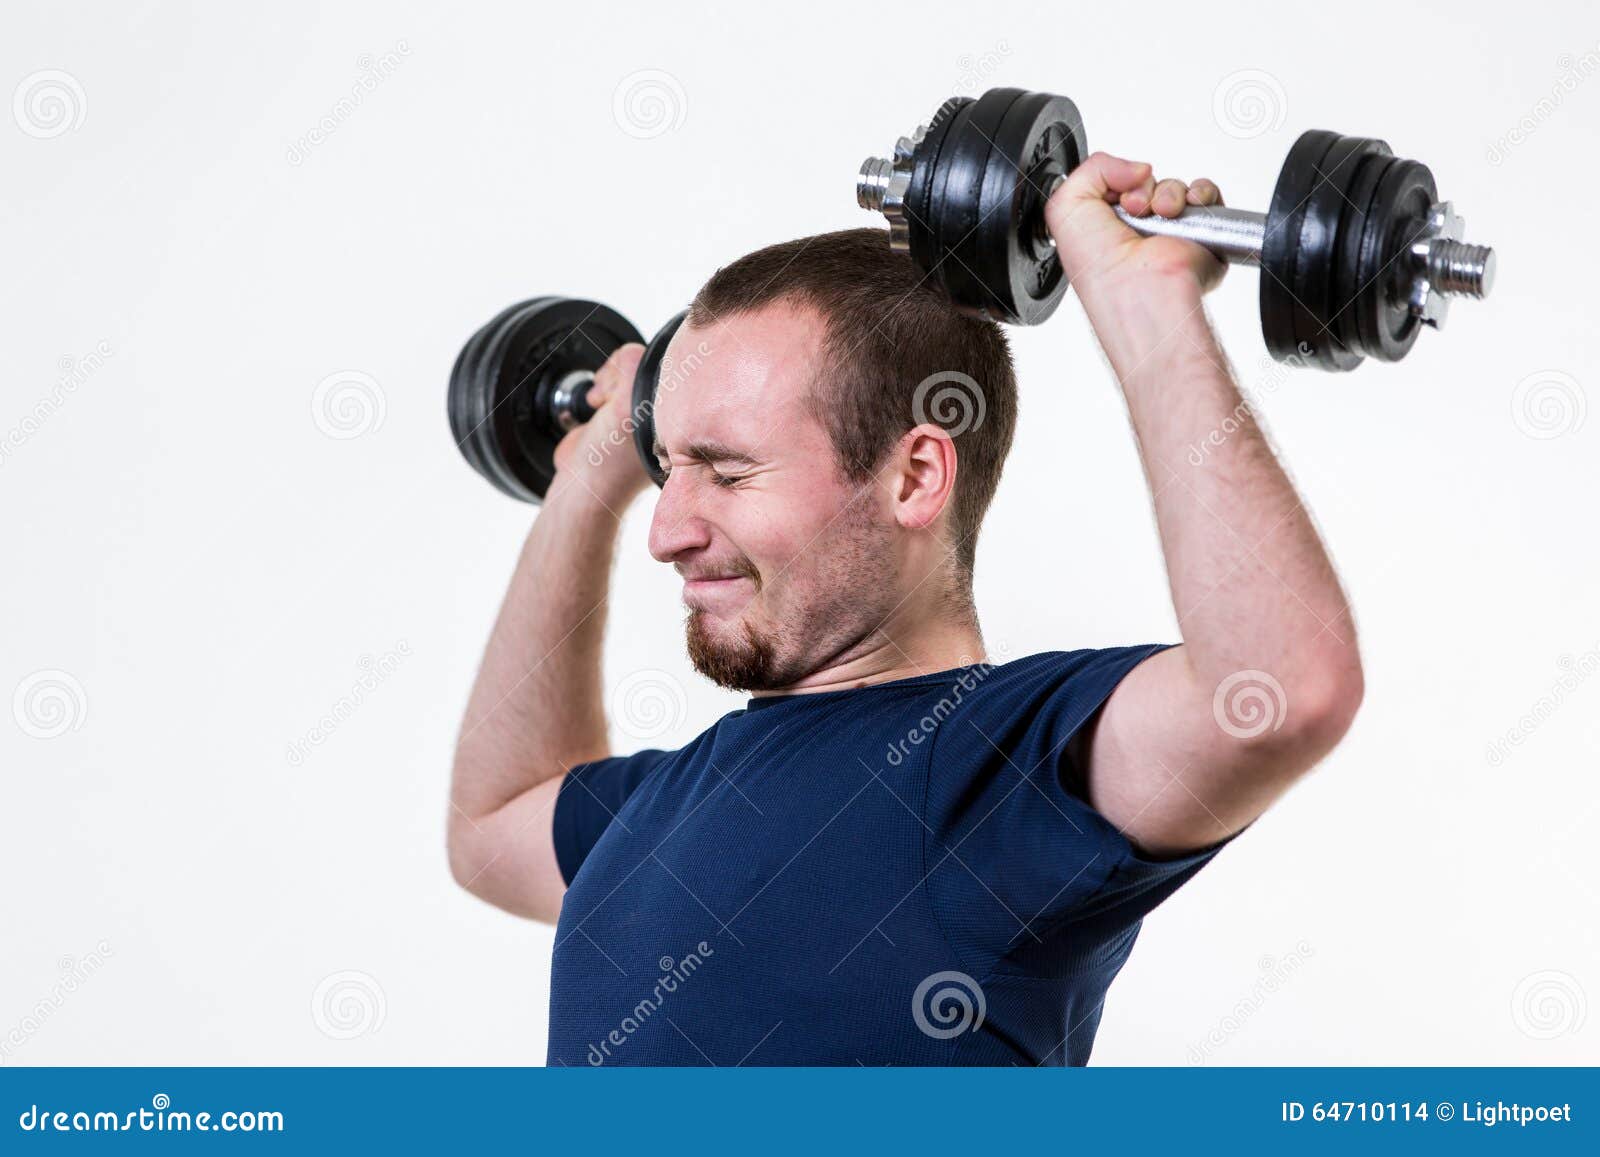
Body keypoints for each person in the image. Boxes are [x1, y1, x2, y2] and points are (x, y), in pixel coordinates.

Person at [445, 153, 1364, 1065]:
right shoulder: (665, 803)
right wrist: (587, 484)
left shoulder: (999, 774)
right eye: (668, 469)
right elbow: (490, 827)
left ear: (915, 476)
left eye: (727, 472)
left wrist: (1145, 303)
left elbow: (1279, 689)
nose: (668, 532)